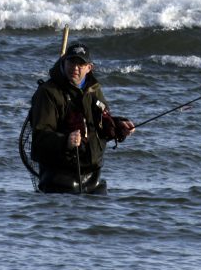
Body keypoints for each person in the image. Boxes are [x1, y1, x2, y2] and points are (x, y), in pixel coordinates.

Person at [28, 41, 135, 194]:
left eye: (80, 64)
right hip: (58, 179)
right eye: (71, 62)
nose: (75, 68)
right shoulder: (47, 93)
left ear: (89, 68)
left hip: (93, 177)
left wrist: (118, 127)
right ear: (64, 62)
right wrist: (66, 141)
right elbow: (38, 142)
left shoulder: (94, 89)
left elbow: (99, 126)